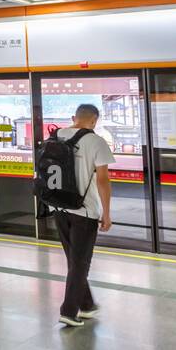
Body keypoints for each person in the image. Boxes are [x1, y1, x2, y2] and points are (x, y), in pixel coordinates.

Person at [49, 103, 114, 328]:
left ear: (73, 117)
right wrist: (107, 213)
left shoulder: (55, 136)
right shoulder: (96, 141)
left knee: (74, 260)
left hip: (58, 207)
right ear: (94, 120)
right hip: (84, 211)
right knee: (80, 263)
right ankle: (69, 310)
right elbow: (103, 180)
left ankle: (86, 304)